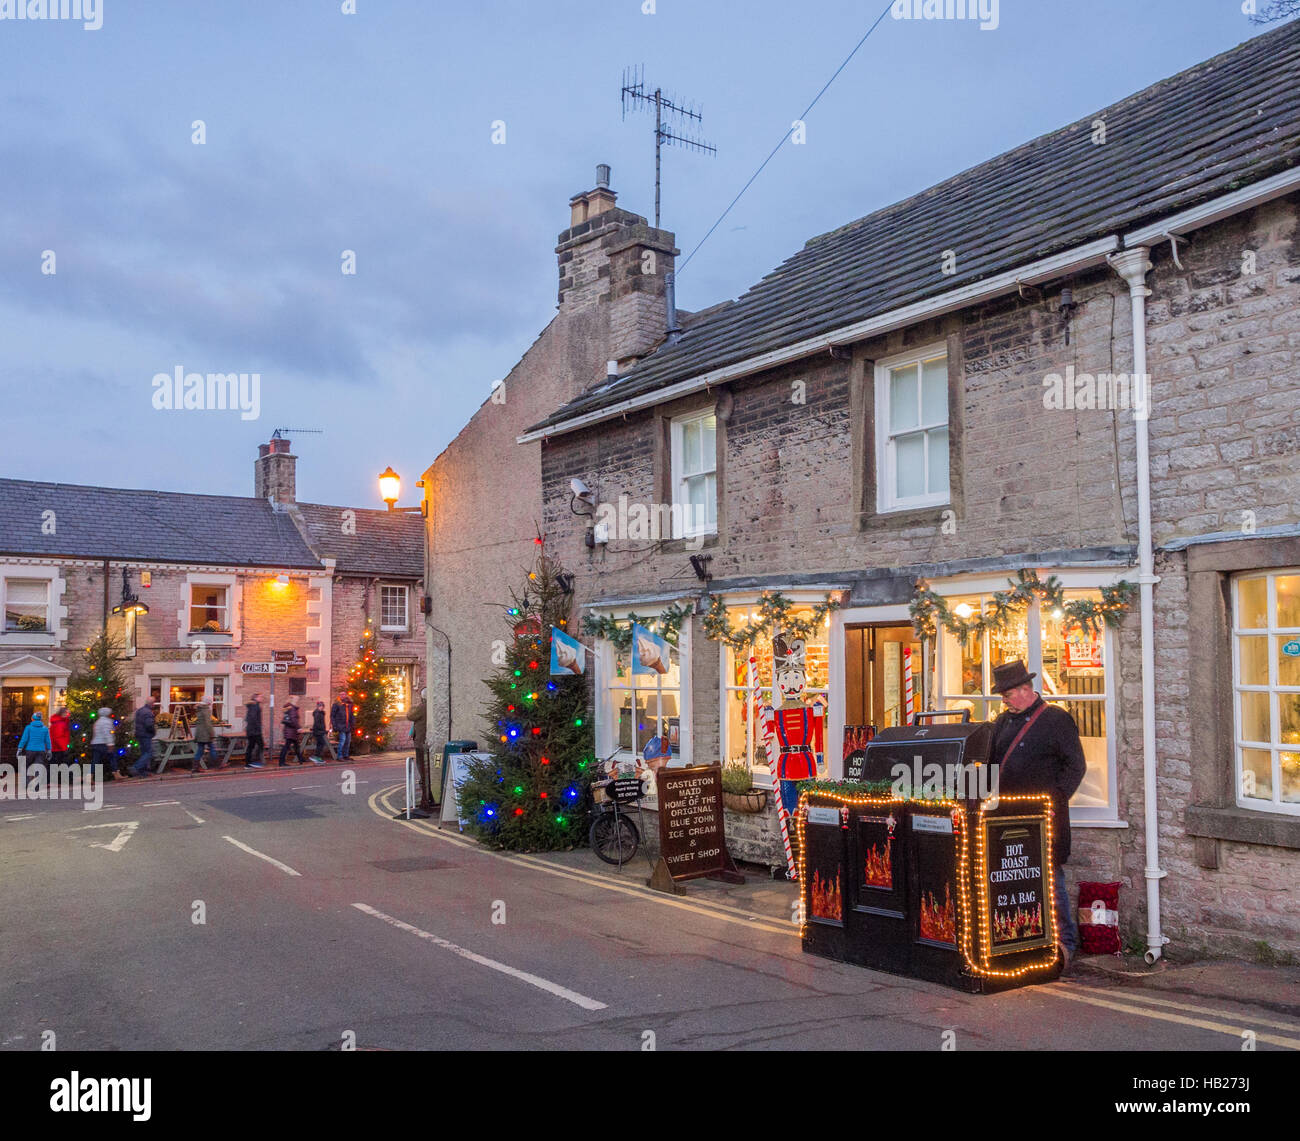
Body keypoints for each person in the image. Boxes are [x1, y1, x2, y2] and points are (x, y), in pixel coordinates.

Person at [988, 659, 1087, 974]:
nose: (1003, 700)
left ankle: (1065, 946)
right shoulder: (1003, 723)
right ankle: (1023, 941)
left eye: (1007, 694)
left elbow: (1075, 766)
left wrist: (1055, 801)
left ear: (1024, 690)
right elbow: (990, 765)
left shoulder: (1057, 719)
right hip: (1006, 819)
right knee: (1014, 884)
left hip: (1045, 816)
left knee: (1051, 882)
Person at [405, 688, 431, 809]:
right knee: (426, 771)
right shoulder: (430, 706)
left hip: (421, 742)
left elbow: (409, 715)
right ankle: (427, 796)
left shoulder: (422, 707)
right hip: (426, 741)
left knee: (422, 770)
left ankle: (425, 799)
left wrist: (413, 705)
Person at [17, 711, 52, 785]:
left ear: (32, 719)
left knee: (26, 766)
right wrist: (49, 750)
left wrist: (20, 748)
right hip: (41, 751)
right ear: (41, 719)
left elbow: (24, 739)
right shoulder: (45, 729)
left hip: (30, 750)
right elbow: (48, 740)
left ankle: (27, 783)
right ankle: (36, 784)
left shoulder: (28, 728)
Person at [191, 701, 220, 775]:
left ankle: (195, 767)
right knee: (212, 747)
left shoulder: (199, 709)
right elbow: (208, 723)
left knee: (200, 750)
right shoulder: (205, 710)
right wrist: (211, 733)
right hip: (205, 733)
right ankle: (217, 764)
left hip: (200, 733)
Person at [130, 701, 158, 778]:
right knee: (148, 753)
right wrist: (153, 732)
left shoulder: (140, 710)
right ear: (152, 704)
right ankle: (136, 767)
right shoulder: (148, 712)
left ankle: (143, 772)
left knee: (144, 753)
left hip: (139, 734)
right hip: (146, 735)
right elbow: (149, 725)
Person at [91, 705, 116, 781]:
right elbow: (107, 733)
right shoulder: (107, 722)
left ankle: (90, 777)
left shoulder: (97, 722)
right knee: (112, 757)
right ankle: (116, 773)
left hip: (95, 743)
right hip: (103, 743)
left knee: (95, 761)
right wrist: (110, 743)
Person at [278, 700, 303, 766]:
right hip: (291, 731)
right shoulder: (292, 708)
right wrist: (299, 728)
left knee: (296, 746)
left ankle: (301, 759)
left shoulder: (288, 707)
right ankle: (281, 762)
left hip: (289, 730)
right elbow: (294, 720)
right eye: (296, 700)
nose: (297, 701)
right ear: (293, 701)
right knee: (287, 746)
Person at [244, 693, 265, 769]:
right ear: (256, 698)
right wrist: (259, 727)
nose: (262, 698)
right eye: (260, 697)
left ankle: (248, 763)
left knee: (251, 746)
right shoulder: (255, 706)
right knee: (260, 745)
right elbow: (253, 718)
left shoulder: (252, 706)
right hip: (254, 730)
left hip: (251, 730)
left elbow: (248, 718)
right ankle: (253, 762)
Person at [331, 692, 353, 760]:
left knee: (348, 741)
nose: (342, 696)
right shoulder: (336, 704)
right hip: (341, 725)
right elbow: (332, 715)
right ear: (339, 696)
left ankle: (346, 755)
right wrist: (334, 725)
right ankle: (340, 756)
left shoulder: (349, 704)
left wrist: (352, 724)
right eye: (341, 694)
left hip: (348, 726)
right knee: (342, 741)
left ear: (346, 695)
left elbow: (352, 715)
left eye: (344, 694)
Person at [49, 706, 71, 771]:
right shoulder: (60, 723)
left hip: (56, 748)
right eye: (67, 713)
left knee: (54, 765)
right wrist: (64, 748)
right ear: (62, 713)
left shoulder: (60, 722)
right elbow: (58, 737)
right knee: (64, 765)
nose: (69, 714)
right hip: (59, 748)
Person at [309, 700, 327, 765]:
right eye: (320, 706)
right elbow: (317, 723)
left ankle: (317, 758)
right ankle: (316, 756)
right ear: (317, 706)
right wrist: (322, 729)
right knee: (321, 743)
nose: (321, 707)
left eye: (322, 706)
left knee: (320, 744)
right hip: (318, 731)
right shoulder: (317, 713)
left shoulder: (321, 713)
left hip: (320, 731)